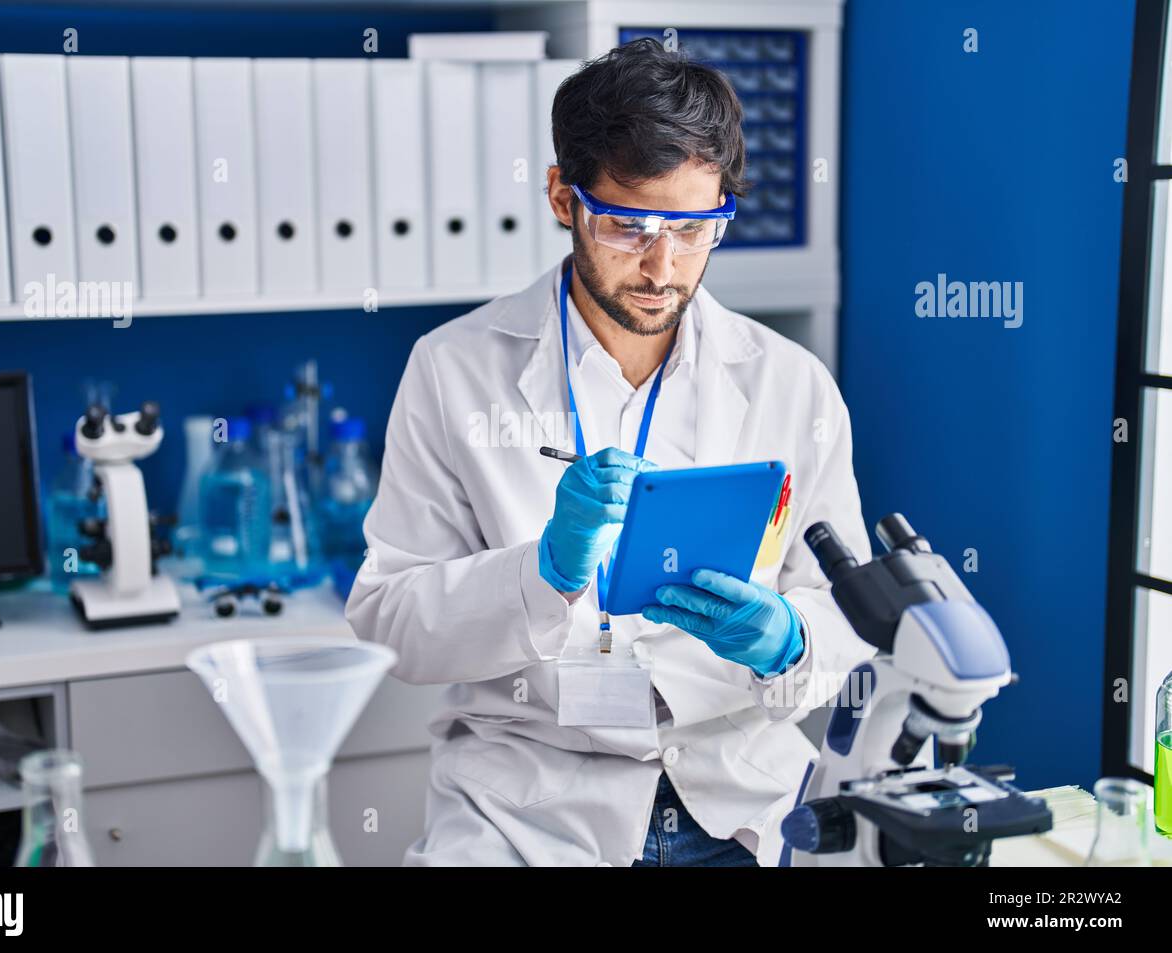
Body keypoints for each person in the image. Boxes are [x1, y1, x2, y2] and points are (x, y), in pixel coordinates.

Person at [346, 37, 874, 867]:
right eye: (630, 224)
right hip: (529, 810)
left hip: (740, 795)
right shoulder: (453, 370)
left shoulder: (792, 385)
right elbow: (391, 621)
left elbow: (848, 615)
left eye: (697, 229)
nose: (663, 267)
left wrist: (789, 642)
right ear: (563, 196)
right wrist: (543, 571)